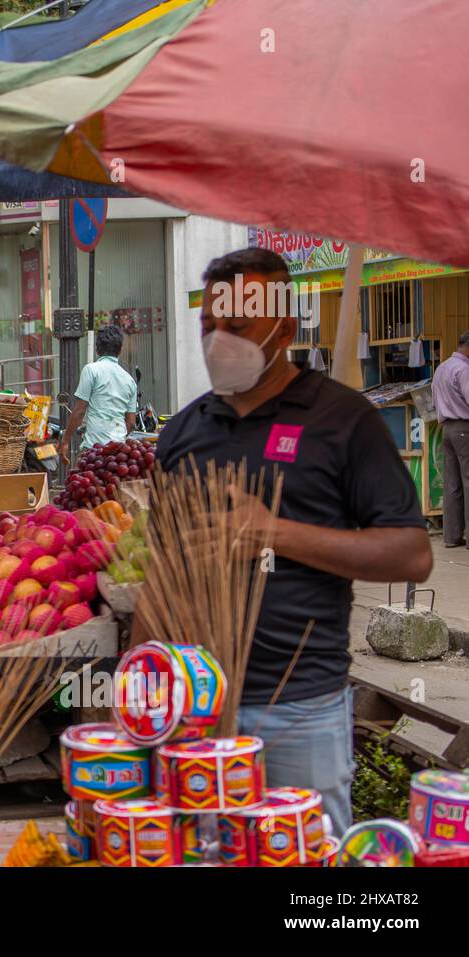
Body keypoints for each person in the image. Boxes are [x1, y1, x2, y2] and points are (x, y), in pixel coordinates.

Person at [155, 247, 432, 831]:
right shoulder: (183, 432)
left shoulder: (342, 420)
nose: (218, 341)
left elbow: (412, 553)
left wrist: (270, 532)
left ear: (285, 326)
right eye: (209, 326)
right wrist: (146, 688)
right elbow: (160, 573)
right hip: (193, 715)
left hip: (299, 709)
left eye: (237, 326)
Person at [59, 323, 138, 463]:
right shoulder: (130, 380)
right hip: (118, 453)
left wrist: (65, 440)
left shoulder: (91, 371)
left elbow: (79, 411)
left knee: (80, 482)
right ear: (120, 350)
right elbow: (131, 423)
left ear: (97, 349)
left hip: (93, 450)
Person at [431, 330, 469, 547]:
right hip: (464, 427)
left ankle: (452, 536)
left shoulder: (442, 367)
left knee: (452, 484)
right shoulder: (463, 370)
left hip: (447, 429)